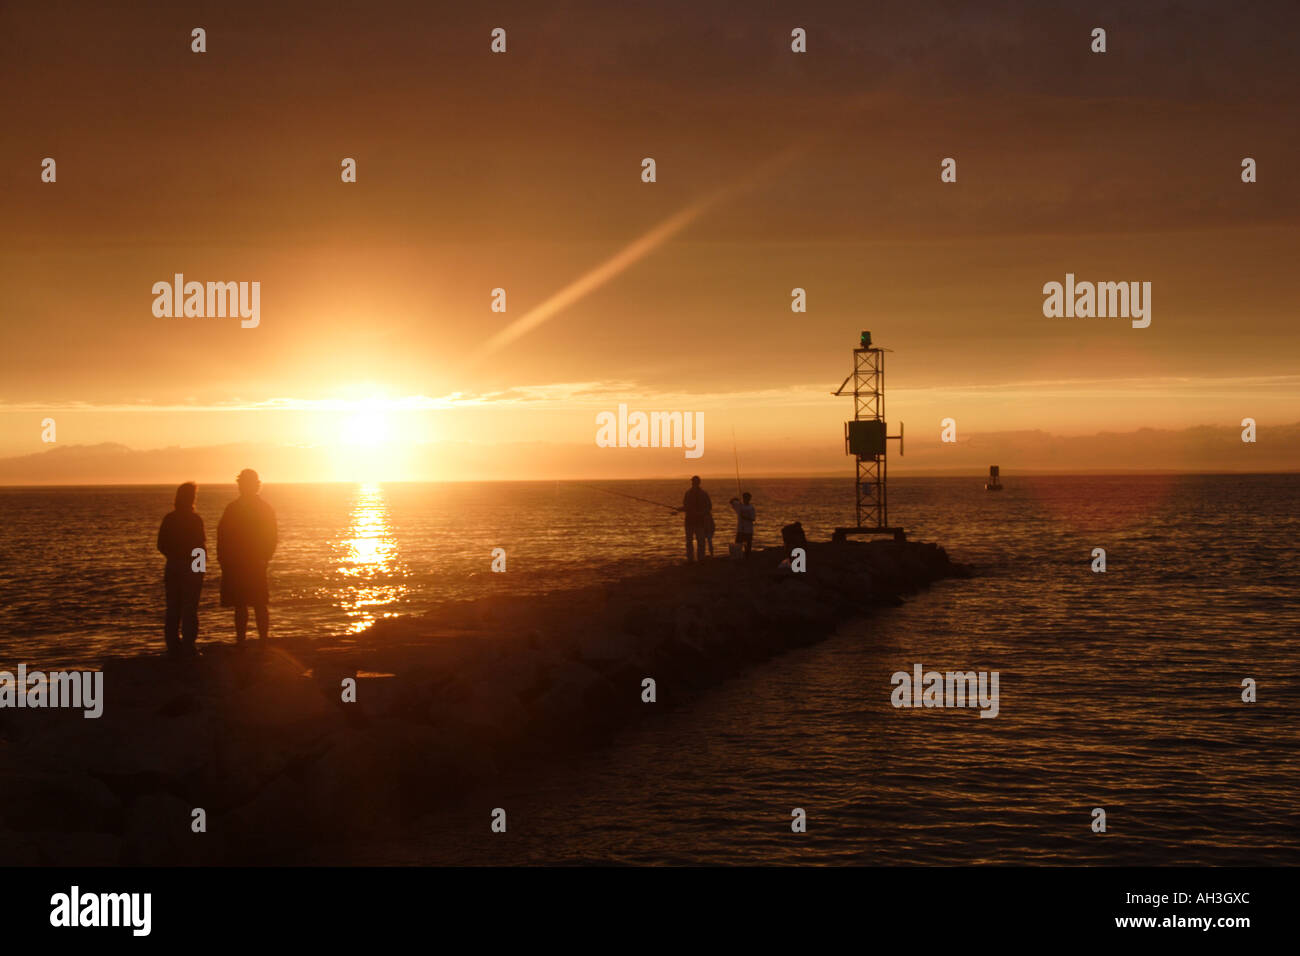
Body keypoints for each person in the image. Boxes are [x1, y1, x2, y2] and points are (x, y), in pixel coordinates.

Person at [217, 468, 278, 644]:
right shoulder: (235, 508)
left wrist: (264, 558)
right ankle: (242, 640)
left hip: (253, 563)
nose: (243, 487)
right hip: (238, 564)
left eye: (245, 483)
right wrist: (223, 559)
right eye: (242, 483)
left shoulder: (261, 508)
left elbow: (271, 536)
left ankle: (261, 640)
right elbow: (223, 536)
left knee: (258, 603)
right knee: (241, 604)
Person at [156, 481, 205, 656]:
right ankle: (188, 646)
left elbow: (161, 544)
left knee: (174, 608)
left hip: (174, 565)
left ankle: (173, 646)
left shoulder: (170, 519)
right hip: (189, 566)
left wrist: (173, 556)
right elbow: (200, 546)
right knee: (189, 608)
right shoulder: (194, 519)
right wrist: (199, 569)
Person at [677, 475, 712, 563]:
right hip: (689, 521)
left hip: (699, 521)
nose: (693, 483)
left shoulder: (703, 494)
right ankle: (690, 559)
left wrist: (700, 513)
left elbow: (708, 507)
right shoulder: (688, 493)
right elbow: (686, 506)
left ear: (698, 482)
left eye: (695, 482)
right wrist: (679, 510)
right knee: (689, 541)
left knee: (700, 541)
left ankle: (700, 558)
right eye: (693, 482)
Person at [730, 491, 756, 558]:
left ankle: (747, 557)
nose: (746, 499)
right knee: (738, 545)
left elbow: (753, 519)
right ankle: (738, 557)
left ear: (749, 499)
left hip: (748, 530)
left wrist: (745, 517)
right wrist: (736, 499)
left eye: (747, 498)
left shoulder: (751, 508)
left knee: (748, 546)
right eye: (744, 498)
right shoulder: (739, 506)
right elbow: (731, 501)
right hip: (740, 529)